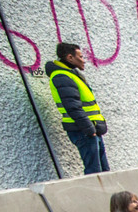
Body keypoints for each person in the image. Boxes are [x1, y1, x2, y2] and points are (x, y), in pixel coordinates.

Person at [44, 42, 108, 174]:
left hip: (91, 129)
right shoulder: (62, 76)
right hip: (84, 130)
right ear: (70, 57)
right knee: (94, 172)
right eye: (81, 56)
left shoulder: (71, 75)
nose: (84, 60)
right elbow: (72, 106)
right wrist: (89, 130)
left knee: (104, 172)